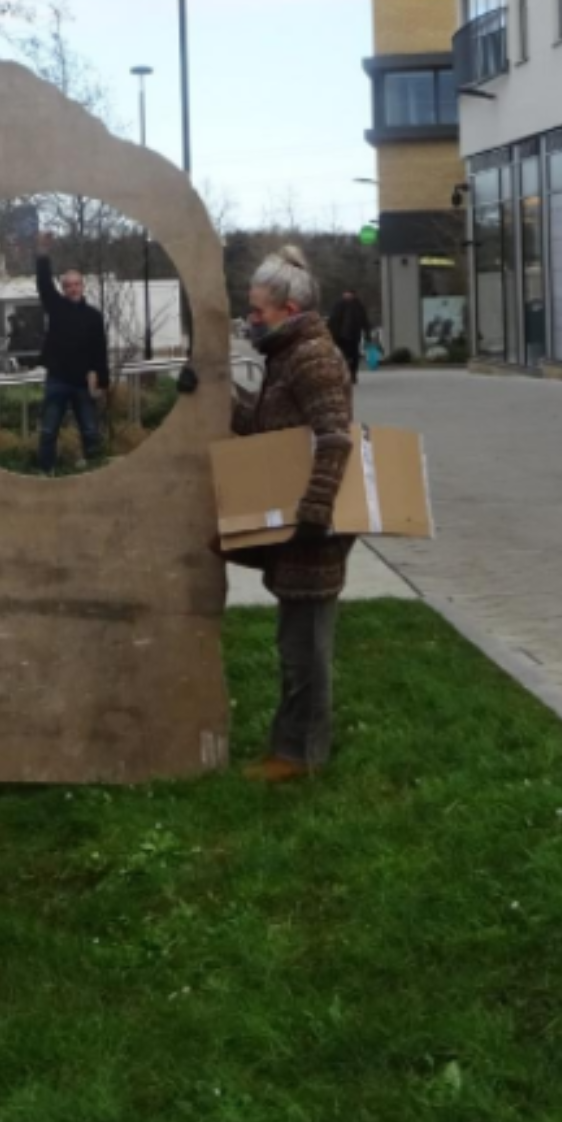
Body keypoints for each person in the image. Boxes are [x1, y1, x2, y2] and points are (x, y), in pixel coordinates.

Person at [232, 245, 355, 784]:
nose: (251, 319)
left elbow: (334, 437)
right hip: (298, 520)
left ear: (288, 307)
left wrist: (313, 510)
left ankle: (300, 756)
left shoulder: (314, 359)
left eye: (258, 310)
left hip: (313, 526)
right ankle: (291, 748)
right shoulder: (287, 356)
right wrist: (213, 397)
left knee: (305, 647)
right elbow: (269, 432)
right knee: (294, 640)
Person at [34, 234, 111, 472]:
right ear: (63, 288)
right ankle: (46, 472)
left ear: (82, 285)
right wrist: (42, 255)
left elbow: (100, 350)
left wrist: (102, 381)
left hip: (82, 382)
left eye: (76, 284)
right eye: (67, 285)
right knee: (48, 431)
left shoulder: (94, 316)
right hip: (57, 379)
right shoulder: (56, 306)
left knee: (90, 430)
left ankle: (95, 470)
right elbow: (44, 284)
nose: (72, 288)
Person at [327, 288, 371, 386]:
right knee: (342, 355)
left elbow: (364, 319)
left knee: (353, 355)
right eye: (346, 294)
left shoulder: (358, 306)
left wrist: (367, 333)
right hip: (339, 335)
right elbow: (332, 319)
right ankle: (344, 373)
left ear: (354, 295)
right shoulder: (338, 305)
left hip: (353, 335)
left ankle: (352, 373)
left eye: (349, 294)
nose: (347, 296)